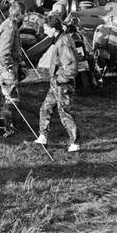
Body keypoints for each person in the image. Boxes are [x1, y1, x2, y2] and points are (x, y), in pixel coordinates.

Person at [36, 14, 80, 152]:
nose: (44, 31)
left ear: (53, 29)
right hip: (56, 82)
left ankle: (74, 143)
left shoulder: (64, 42)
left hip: (62, 84)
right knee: (46, 108)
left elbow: (71, 66)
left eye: (46, 28)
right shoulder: (60, 39)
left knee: (64, 113)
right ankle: (43, 136)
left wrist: (61, 80)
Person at [0, 2, 24, 138]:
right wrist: (10, 66)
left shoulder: (7, 24)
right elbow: (3, 52)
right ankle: (6, 128)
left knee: (6, 96)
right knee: (11, 98)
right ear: (18, 14)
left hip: (4, 66)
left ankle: (5, 124)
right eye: (23, 13)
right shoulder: (10, 28)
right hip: (6, 67)